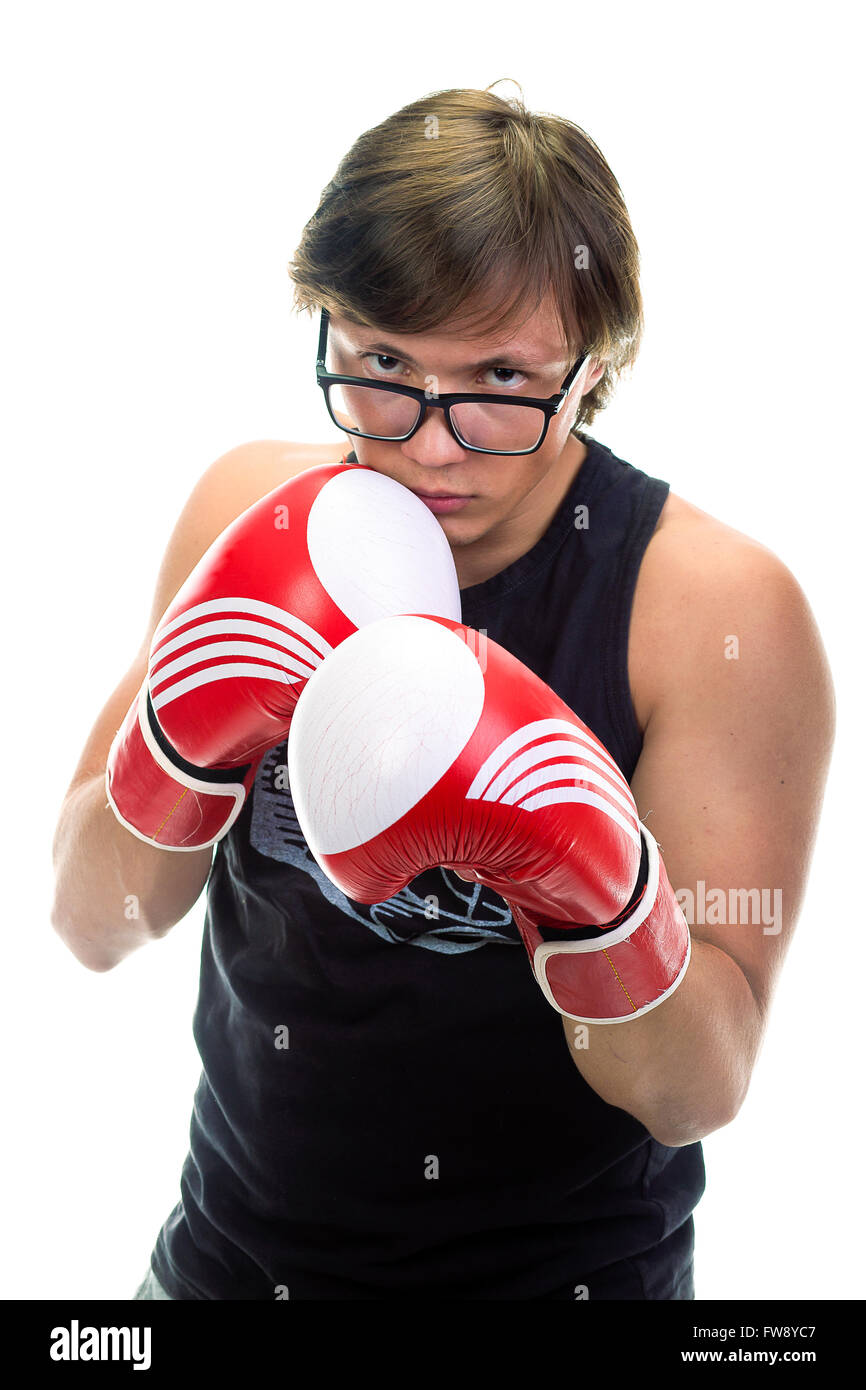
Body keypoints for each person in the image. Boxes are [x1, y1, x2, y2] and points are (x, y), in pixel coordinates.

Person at [51, 84, 835, 1301]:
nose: (427, 443)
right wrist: (182, 737)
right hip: (221, 1277)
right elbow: (96, 924)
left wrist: (591, 887)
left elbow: (697, 1089)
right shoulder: (246, 513)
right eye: (380, 363)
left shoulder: (708, 613)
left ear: (592, 367)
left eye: (500, 379)